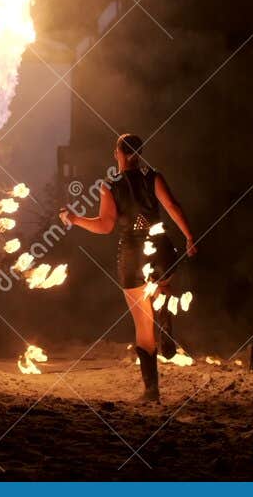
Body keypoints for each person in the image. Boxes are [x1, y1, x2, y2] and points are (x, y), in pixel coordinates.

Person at [60, 133, 197, 402]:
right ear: (140, 154)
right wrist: (189, 237)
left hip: (133, 256)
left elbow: (105, 225)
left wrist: (74, 219)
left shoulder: (109, 185)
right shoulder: (153, 177)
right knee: (163, 286)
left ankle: (151, 390)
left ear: (118, 154)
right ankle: (166, 319)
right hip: (162, 249)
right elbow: (172, 206)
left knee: (143, 327)